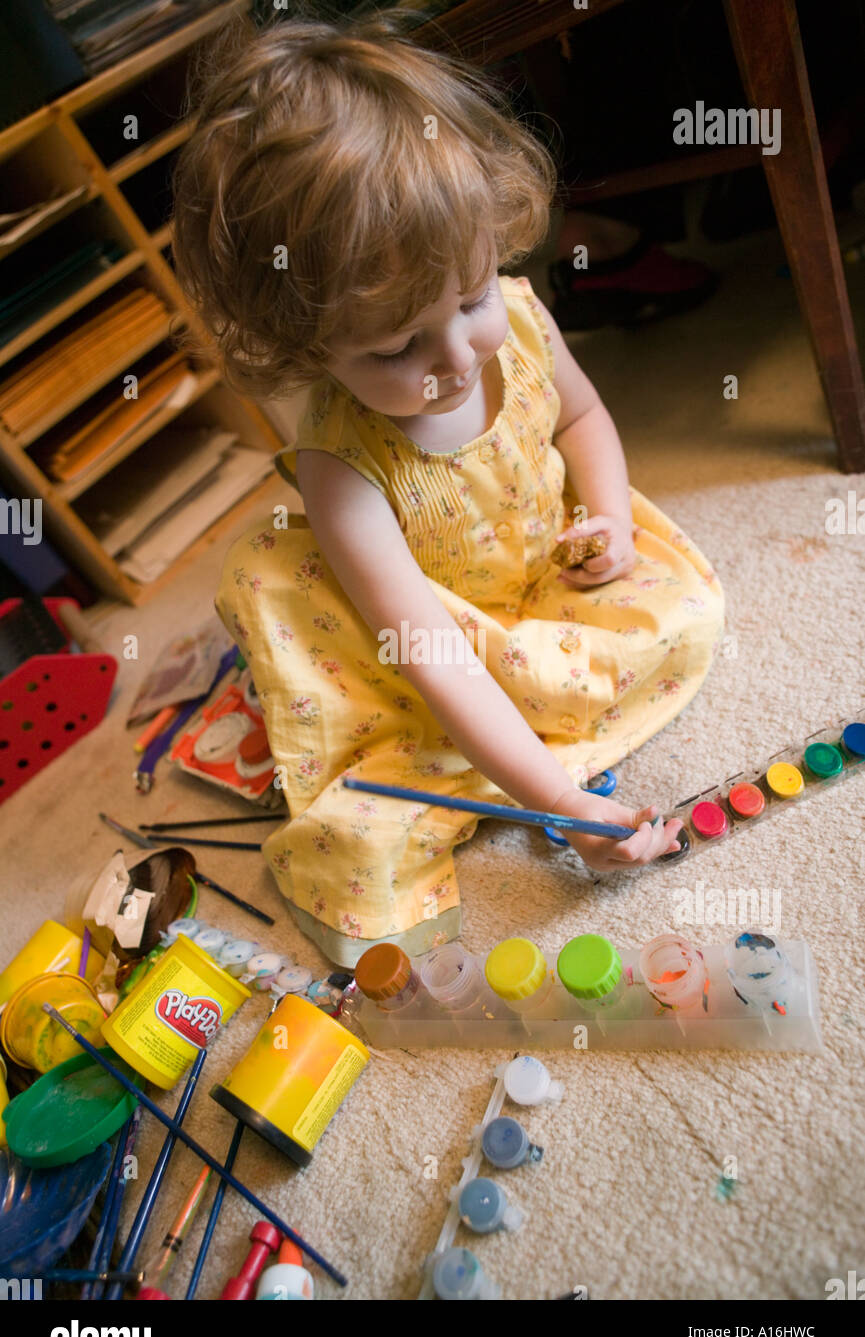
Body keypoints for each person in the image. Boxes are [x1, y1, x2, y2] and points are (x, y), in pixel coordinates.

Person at [172, 10, 724, 966]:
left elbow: (581, 419)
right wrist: (558, 804)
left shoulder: (513, 315)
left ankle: (542, 711)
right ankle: (532, 749)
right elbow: (428, 653)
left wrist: (605, 516)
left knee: (683, 614)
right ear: (306, 346)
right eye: (394, 347)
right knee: (377, 809)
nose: (458, 356)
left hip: (539, 571)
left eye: (468, 298)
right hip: (425, 636)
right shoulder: (342, 466)